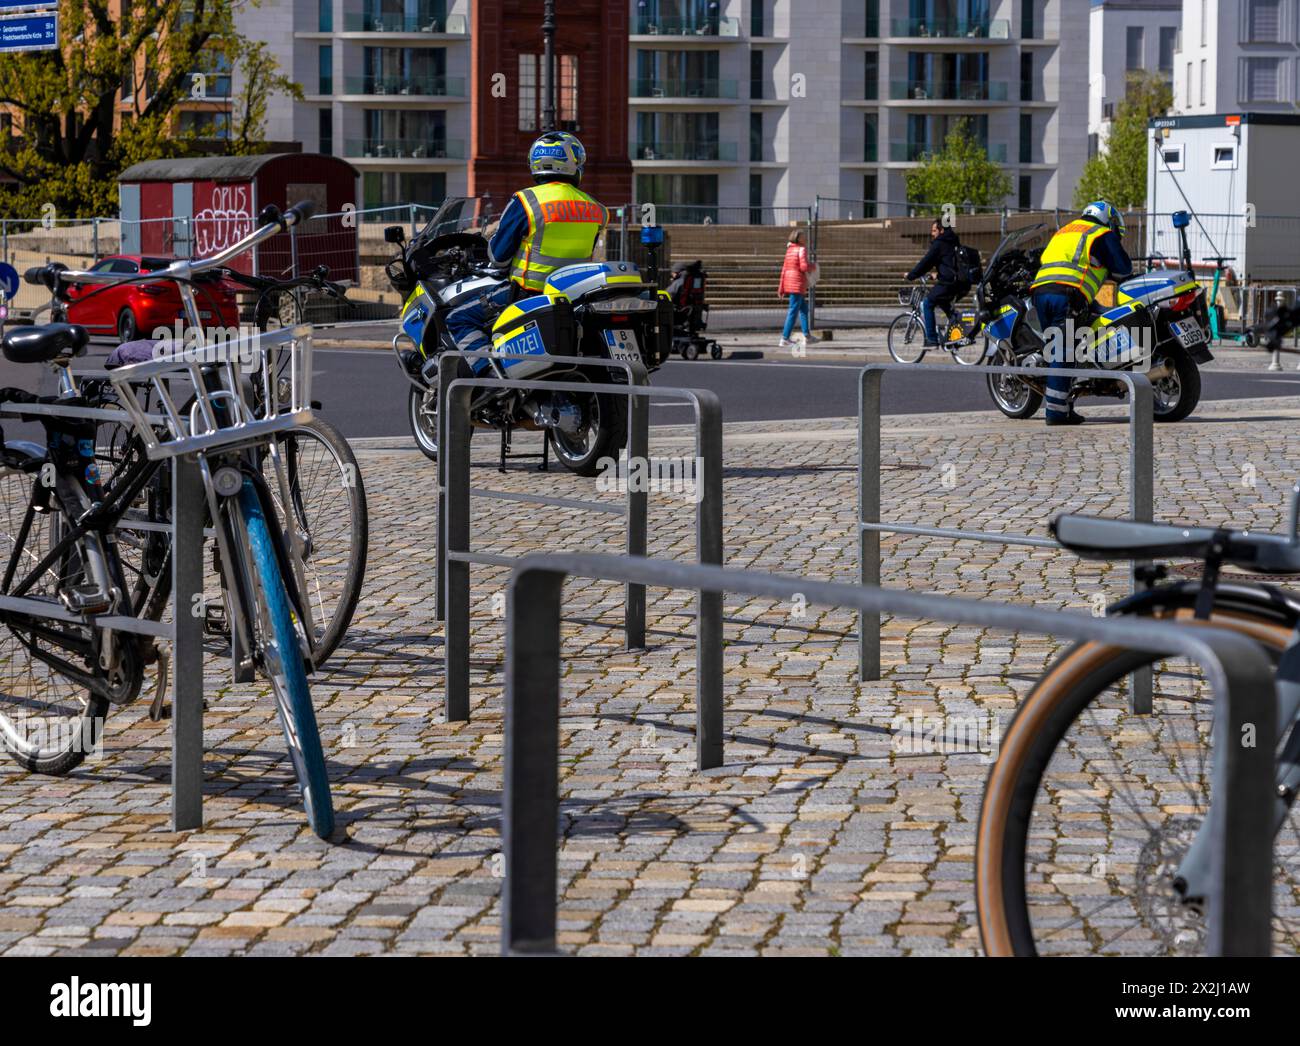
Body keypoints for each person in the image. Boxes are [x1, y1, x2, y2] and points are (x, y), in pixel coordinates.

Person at [445, 130, 606, 353]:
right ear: (575, 163)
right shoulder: (596, 208)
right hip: (573, 296)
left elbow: (499, 257)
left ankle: (486, 372)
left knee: (457, 318)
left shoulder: (526, 201)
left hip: (528, 294)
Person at [1030, 200, 1133, 425]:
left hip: (1041, 293)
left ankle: (1065, 407)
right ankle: (1056, 413)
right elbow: (1124, 267)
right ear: (1108, 218)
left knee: (1059, 350)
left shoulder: (1064, 231)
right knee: (1063, 352)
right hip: (1066, 294)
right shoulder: (1100, 232)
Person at [904, 218, 971, 348]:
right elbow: (950, 264)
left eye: (934, 230)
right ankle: (958, 331)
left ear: (941, 230)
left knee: (927, 304)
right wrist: (938, 274)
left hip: (948, 283)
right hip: (959, 282)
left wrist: (911, 275)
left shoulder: (939, 243)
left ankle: (932, 340)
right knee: (943, 302)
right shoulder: (953, 241)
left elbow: (926, 262)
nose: (932, 234)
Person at [778, 229, 819, 348]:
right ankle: (784, 338)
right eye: (803, 236)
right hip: (797, 283)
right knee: (793, 311)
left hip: (790, 282)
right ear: (798, 238)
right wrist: (814, 266)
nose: (805, 238)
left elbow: (784, 269)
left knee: (804, 309)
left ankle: (807, 336)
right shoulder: (801, 249)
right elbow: (804, 267)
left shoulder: (789, 250)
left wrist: (781, 288)